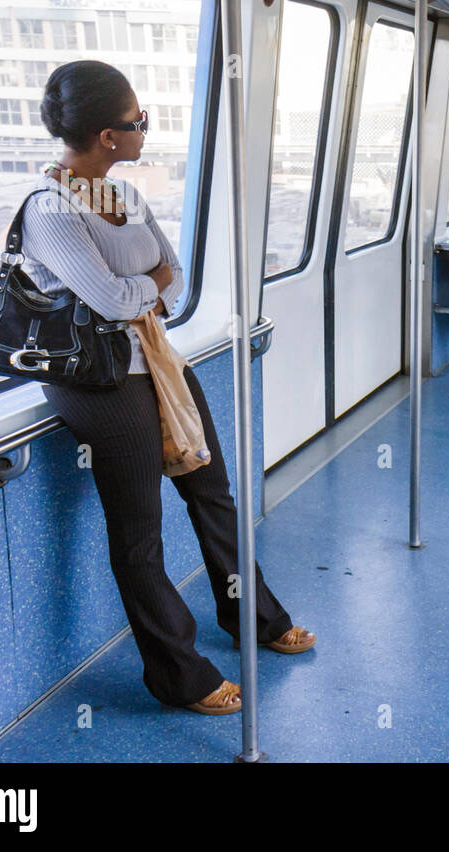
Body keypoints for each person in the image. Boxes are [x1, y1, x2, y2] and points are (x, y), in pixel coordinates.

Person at [21, 60, 313, 716]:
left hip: (154, 363)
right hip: (97, 381)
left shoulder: (125, 196)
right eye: (137, 122)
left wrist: (141, 289)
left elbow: (171, 274)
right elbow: (110, 299)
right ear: (106, 136)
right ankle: (178, 675)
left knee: (213, 494)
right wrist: (142, 287)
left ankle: (253, 617)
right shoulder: (50, 211)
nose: (145, 131)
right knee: (139, 534)